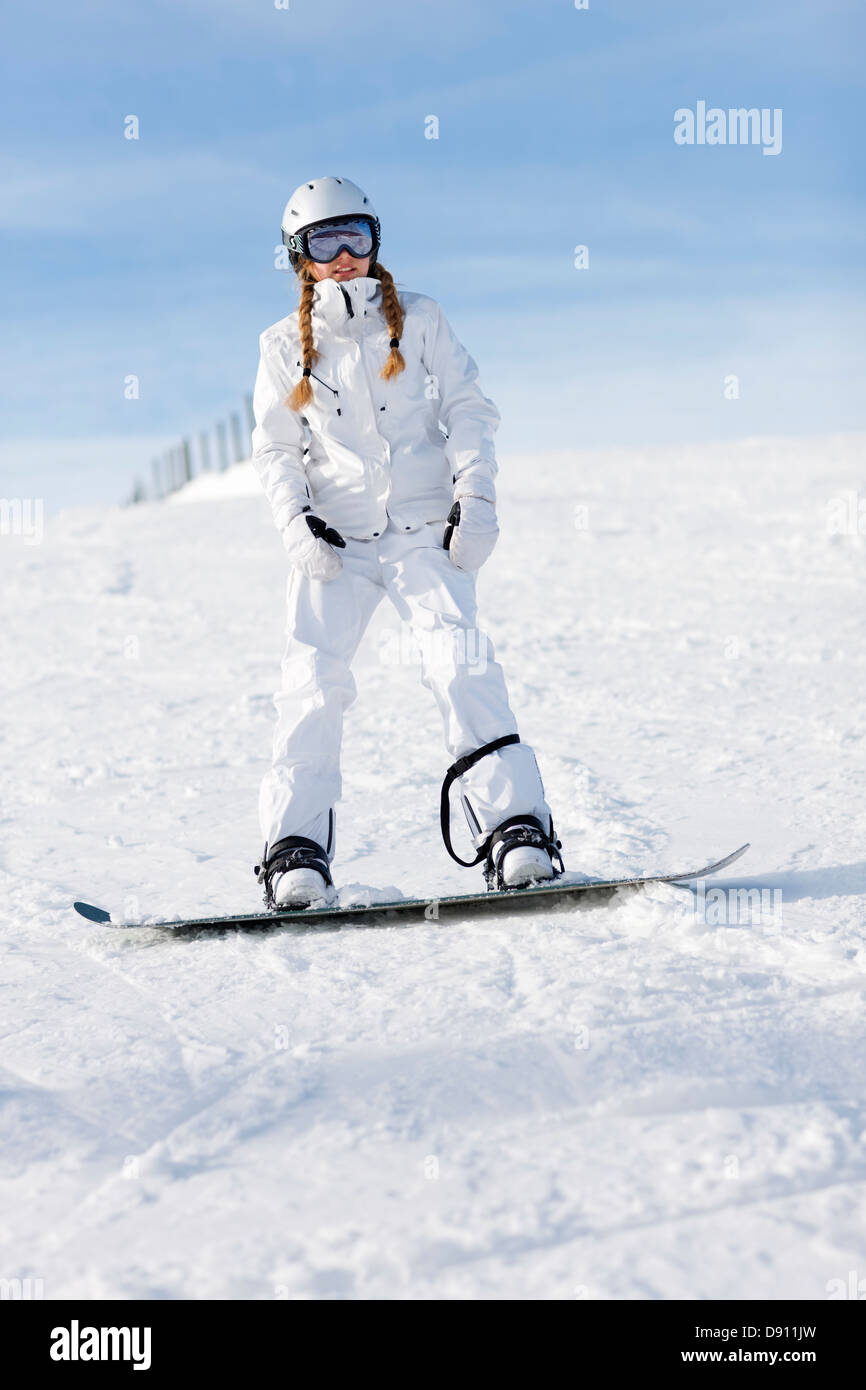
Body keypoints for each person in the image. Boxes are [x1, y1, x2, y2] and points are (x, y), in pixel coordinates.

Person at [251, 176, 563, 909]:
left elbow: (468, 409)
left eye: (357, 234)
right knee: (311, 686)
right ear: (298, 256)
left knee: (461, 662)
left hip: (423, 531)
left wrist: (475, 497)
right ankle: (293, 851)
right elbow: (275, 451)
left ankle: (516, 829)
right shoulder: (279, 346)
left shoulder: (418, 319)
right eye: (324, 242)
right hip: (337, 540)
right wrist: (296, 527)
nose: (345, 254)